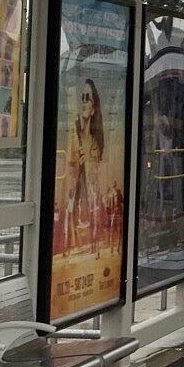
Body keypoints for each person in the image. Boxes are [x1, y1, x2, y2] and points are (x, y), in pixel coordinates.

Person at [60, 77, 106, 252]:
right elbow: (70, 168)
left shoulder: (96, 143)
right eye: (82, 98)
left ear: (94, 108)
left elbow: (96, 176)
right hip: (76, 193)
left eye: (88, 98)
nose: (84, 103)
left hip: (90, 198)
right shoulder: (74, 135)